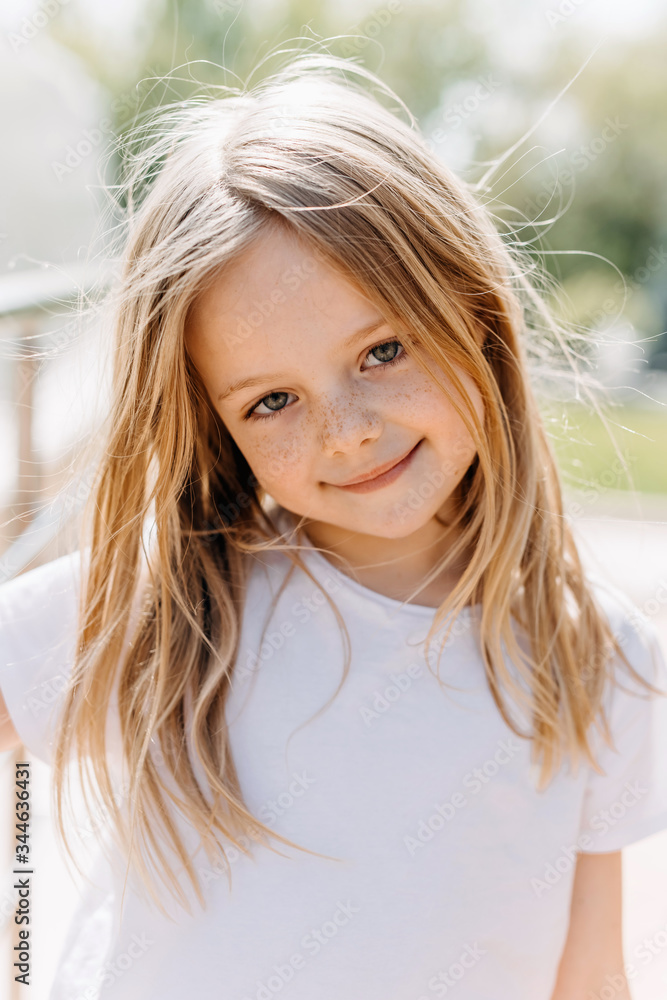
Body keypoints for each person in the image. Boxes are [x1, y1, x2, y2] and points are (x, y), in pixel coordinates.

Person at [1, 50, 667, 1000]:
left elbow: (591, 976)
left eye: (381, 350)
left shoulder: (599, 658)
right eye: (272, 401)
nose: (348, 431)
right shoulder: (174, 599)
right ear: (217, 428)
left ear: (472, 311)